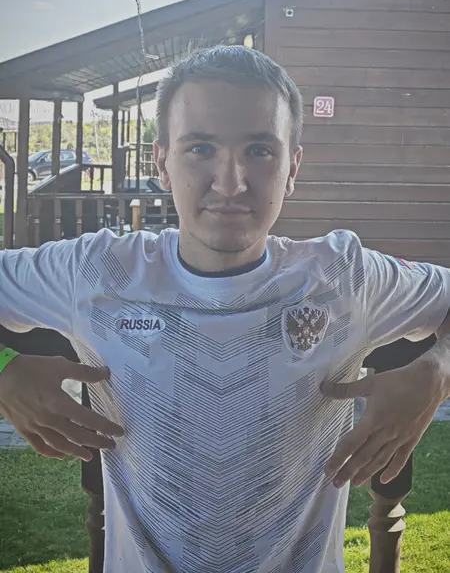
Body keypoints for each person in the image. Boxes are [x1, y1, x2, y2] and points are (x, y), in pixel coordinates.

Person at [0, 46, 449, 573]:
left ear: (292, 167)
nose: (231, 182)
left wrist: (436, 373)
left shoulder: (342, 276)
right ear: (162, 163)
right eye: (200, 148)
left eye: (259, 150)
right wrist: (5, 375)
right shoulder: (98, 270)